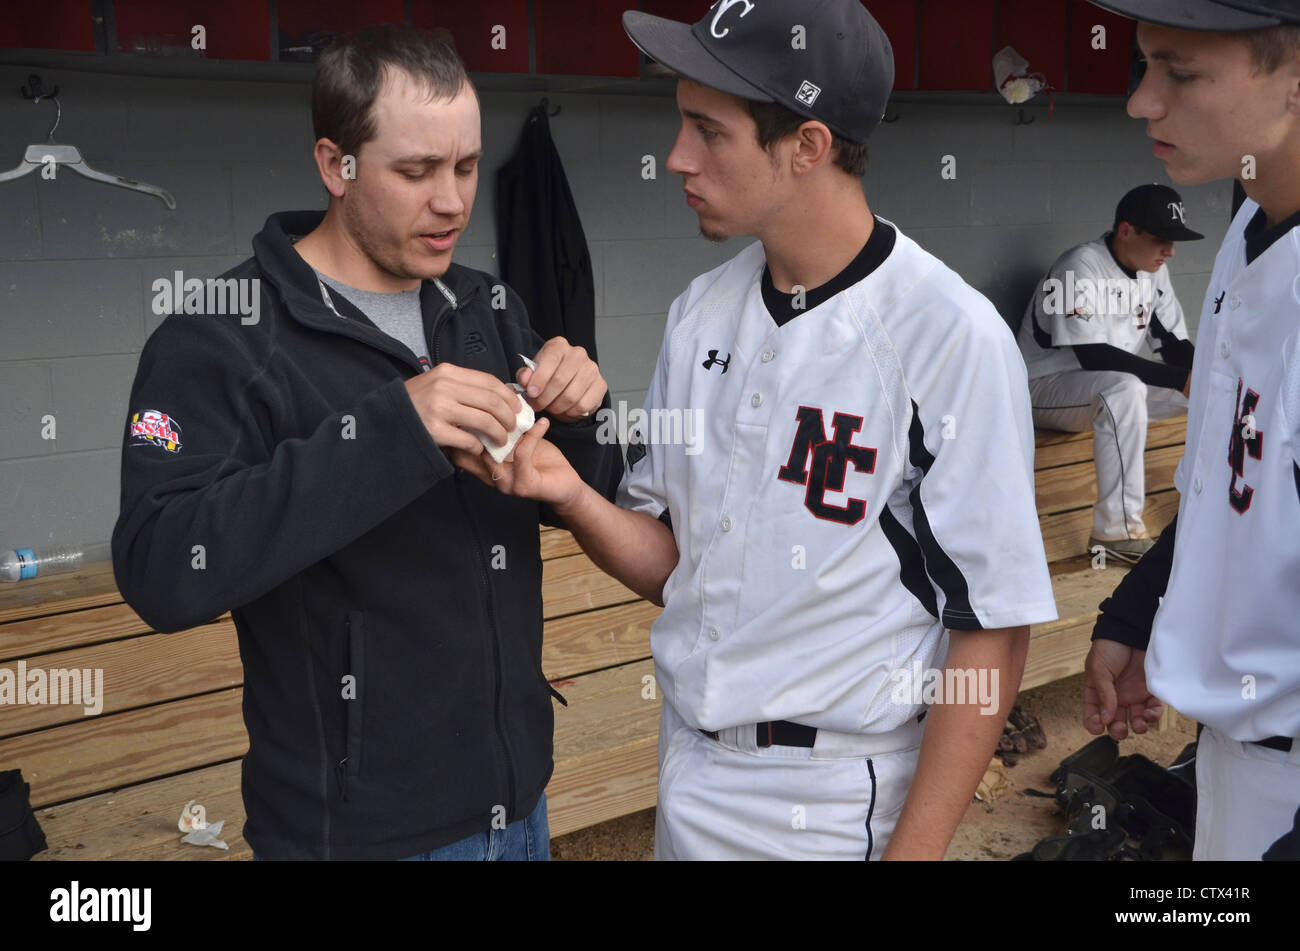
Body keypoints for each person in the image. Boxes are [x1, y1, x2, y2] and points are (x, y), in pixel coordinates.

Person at [453, 0, 1057, 860]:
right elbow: (678, 566)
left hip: (834, 795)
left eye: (708, 129)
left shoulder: (946, 333)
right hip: (689, 764)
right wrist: (567, 491)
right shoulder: (700, 313)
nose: (677, 158)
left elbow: (991, 627)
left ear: (807, 146)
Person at [111, 24, 623, 860]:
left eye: (464, 166)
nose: (454, 199)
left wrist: (580, 411)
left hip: (520, 810)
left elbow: (588, 485)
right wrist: (390, 431)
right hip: (356, 838)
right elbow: (162, 568)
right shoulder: (223, 337)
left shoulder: (487, 308)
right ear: (334, 165)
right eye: (417, 171)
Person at [1083, 0, 1300, 860]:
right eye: (1145, 64)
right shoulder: (1251, 219)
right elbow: (1228, 472)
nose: (1142, 100)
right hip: (1236, 755)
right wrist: (1139, 609)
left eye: (1181, 71)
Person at [1017, 184, 1200, 563]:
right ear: (1126, 231)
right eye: (1161, 239)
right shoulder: (1079, 265)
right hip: (1045, 390)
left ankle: (1204, 515)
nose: (1170, 251)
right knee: (1125, 389)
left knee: (1215, 394)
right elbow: (1092, 355)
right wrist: (1180, 379)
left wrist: (1207, 377)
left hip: (1107, 394)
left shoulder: (1153, 272)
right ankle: (1116, 533)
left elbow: (1172, 344)